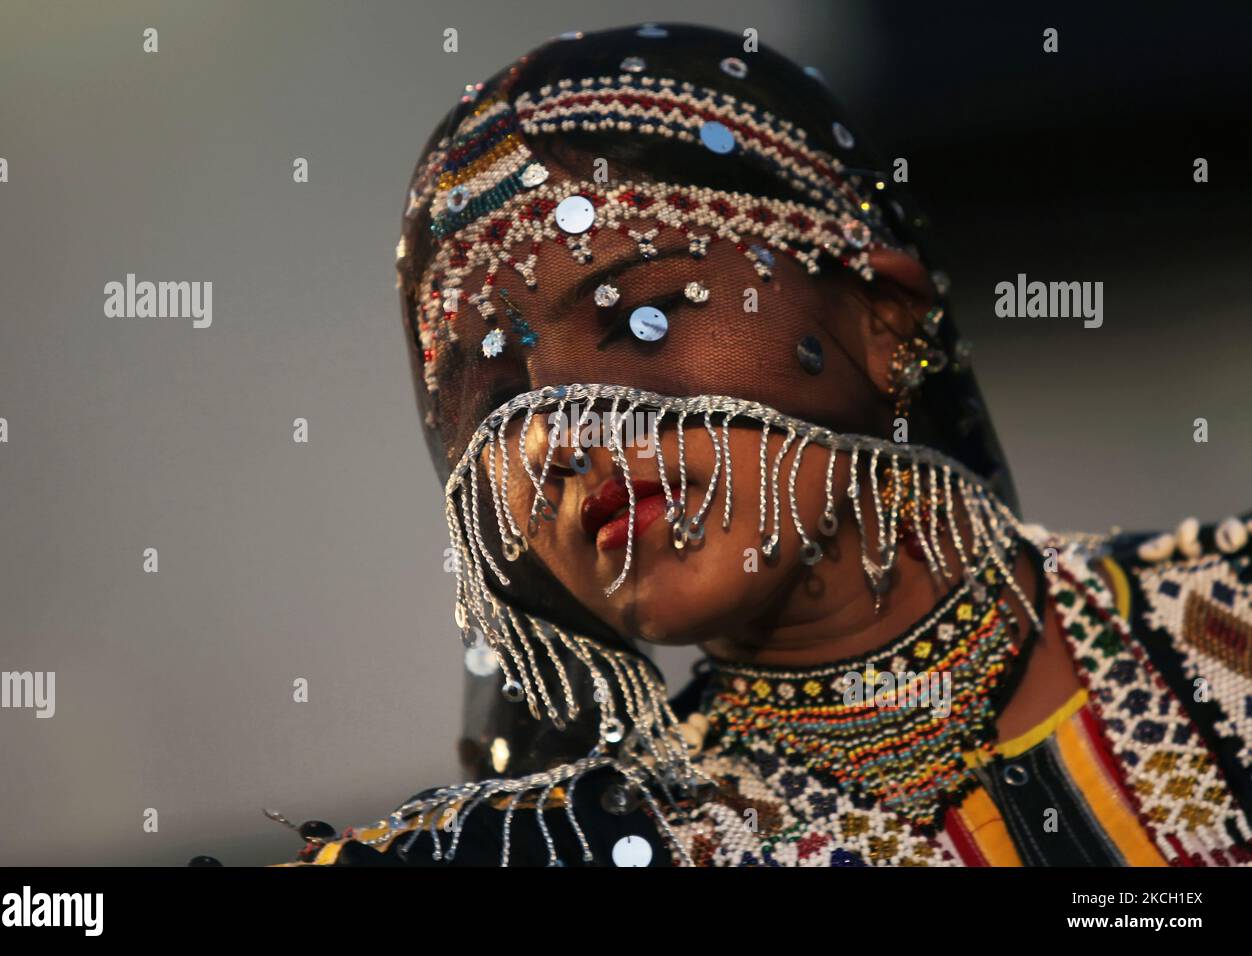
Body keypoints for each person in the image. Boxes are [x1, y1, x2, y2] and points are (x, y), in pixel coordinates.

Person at [268, 23, 1252, 867]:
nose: (562, 430)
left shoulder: (1225, 630)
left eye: (642, 318)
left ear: (884, 322)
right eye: (497, 401)